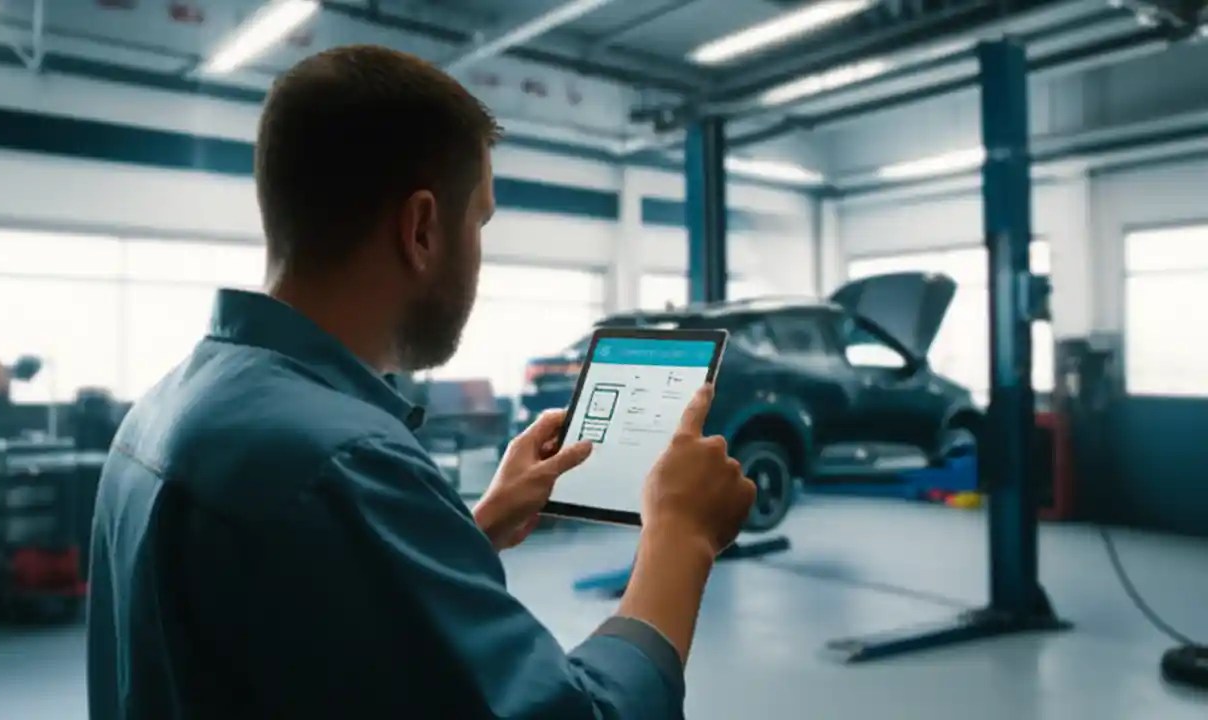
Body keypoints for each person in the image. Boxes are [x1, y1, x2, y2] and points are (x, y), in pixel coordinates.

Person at [87, 45, 755, 719]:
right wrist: (681, 537)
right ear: (422, 229)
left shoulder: (164, 412)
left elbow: (293, 625)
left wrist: (475, 527)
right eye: (480, 221)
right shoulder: (340, 462)